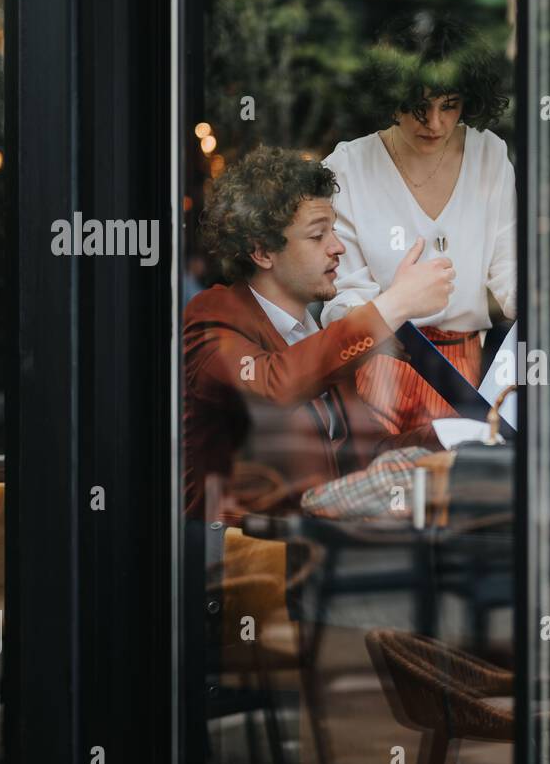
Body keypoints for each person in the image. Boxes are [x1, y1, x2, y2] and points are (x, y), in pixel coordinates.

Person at [183, 146, 452, 521]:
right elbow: (274, 385)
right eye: (317, 236)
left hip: (319, 556)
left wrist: (454, 436)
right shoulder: (211, 317)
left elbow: (367, 454)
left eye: (335, 232)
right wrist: (393, 305)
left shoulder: (320, 336)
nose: (338, 248)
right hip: (242, 564)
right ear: (262, 251)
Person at [319, 12, 515, 435]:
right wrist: (398, 306)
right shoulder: (348, 167)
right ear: (393, 98)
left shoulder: (489, 156)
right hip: (378, 362)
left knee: (461, 487)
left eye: (450, 106)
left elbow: (509, 271)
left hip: (468, 369)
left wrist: (546, 304)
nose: (436, 124)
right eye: (419, 107)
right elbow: (341, 298)